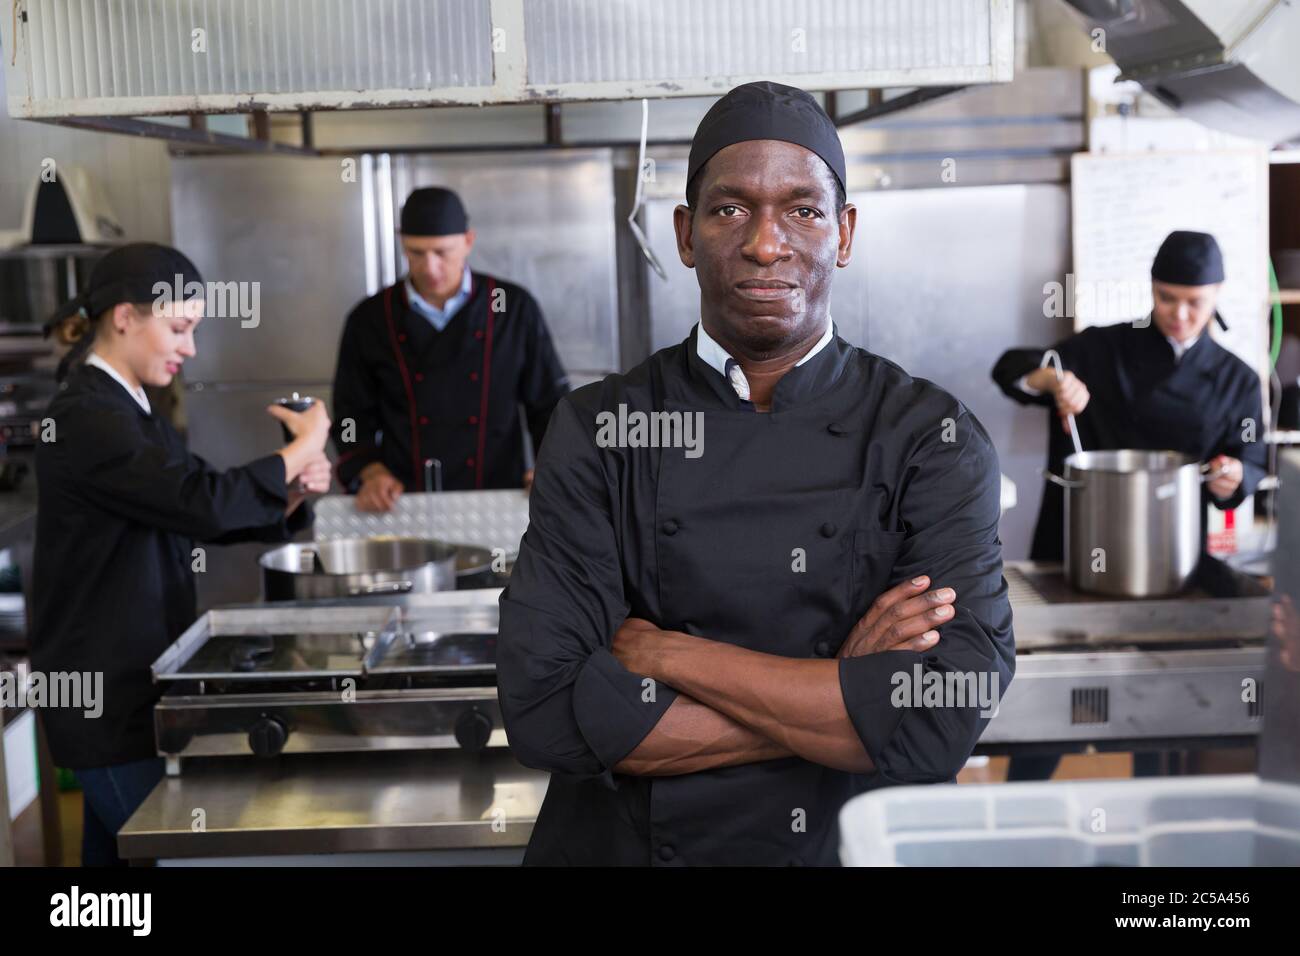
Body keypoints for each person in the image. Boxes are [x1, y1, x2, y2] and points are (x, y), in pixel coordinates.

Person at [496, 82, 1015, 865]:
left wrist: (675, 657)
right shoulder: (599, 428)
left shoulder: (930, 437)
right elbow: (544, 708)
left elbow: (942, 711)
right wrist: (845, 695)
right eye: (731, 208)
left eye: (802, 210)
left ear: (843, 233)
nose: (766, 244)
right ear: (686, 234)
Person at [31, 243, 332, 866]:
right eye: (178, 328)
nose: (189, 348)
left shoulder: (130, 406)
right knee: (176, 856)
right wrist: (302, 449)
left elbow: (193, 504)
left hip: (134, 688)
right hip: (105, 704)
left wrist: (291, 494)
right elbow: (202, 501)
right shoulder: (88, 415)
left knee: (113, 886)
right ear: (124, 317)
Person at [991, 230, 1266, 781]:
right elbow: (1010, 369)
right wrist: (1049, 379)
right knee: (1052, 704)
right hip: (1074, 548)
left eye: (1195, 303)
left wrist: (1236, 476)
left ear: (1217, 296)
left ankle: (1152, 817)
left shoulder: (1237, 379)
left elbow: (1249, 461)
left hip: (1173, 560)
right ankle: (1018, 817)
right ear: (1151, 290)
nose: (1180, 314)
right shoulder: (1103, 348)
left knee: (1156, 704)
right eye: (1167, 299)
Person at [331, 187, 570, 509]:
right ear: (401, 242)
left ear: (468, 241)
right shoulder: (371, 318)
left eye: (442, 252)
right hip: (402, 503)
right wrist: (368, 471)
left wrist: (550, 464)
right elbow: (350, 416)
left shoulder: (512, 308)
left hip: (500, 498)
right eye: (416, 253)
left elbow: (549, 404)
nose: (430, 268)